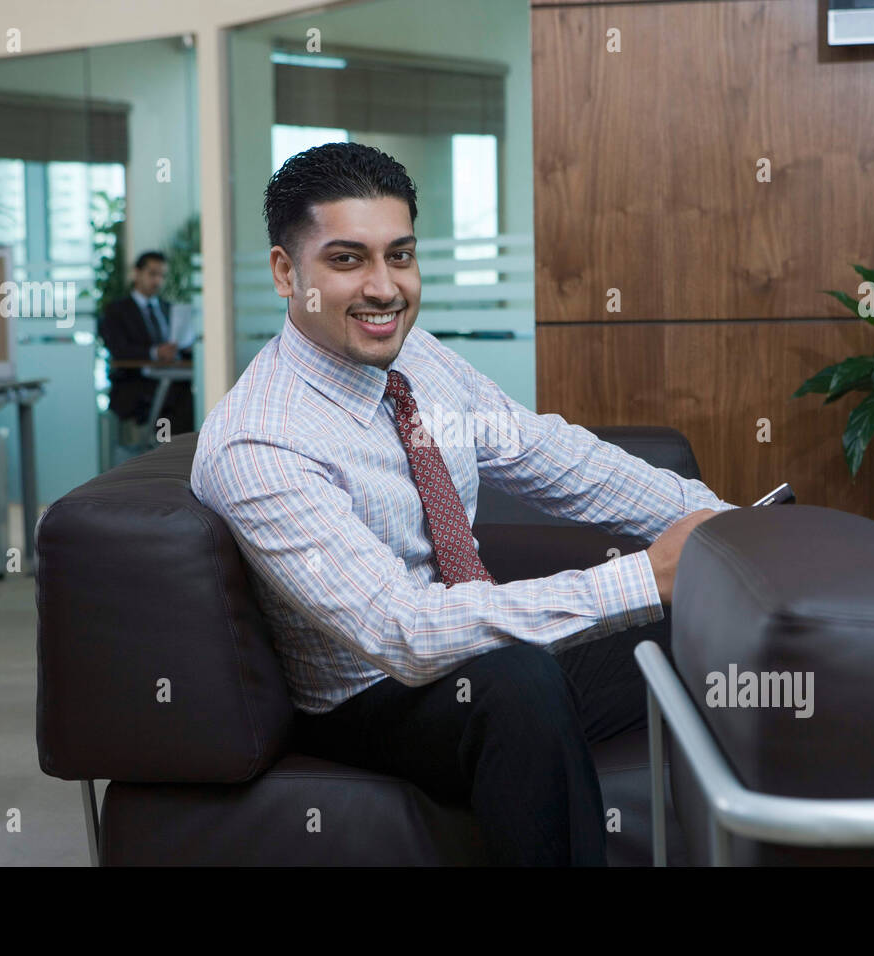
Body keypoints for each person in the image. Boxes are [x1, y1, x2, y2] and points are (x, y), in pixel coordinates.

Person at [190, 142, 738, 865]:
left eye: (401, 255)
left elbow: (551, 455)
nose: (384, 288)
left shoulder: (416, 357)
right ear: (287, 273)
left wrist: (726, 527)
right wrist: (643, 575)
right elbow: (402, 631)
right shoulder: (261, 441)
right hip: (371, 691)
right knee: (518, 685)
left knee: (723, 623)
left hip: (471, 643)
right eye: (348, 260)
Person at [99, 250, 194, 436]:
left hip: (170, 381)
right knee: (172, 398)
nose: (158, 281)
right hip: (135, 383)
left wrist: (187, 347)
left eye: (162, 276)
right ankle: (164, 453)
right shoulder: (117, 311)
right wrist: (154, 353)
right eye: (152, 274)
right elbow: (119, 349)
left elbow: (178, 345)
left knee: (187, 395)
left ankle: (177, 455)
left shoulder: (169, 309)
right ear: (137, 273)